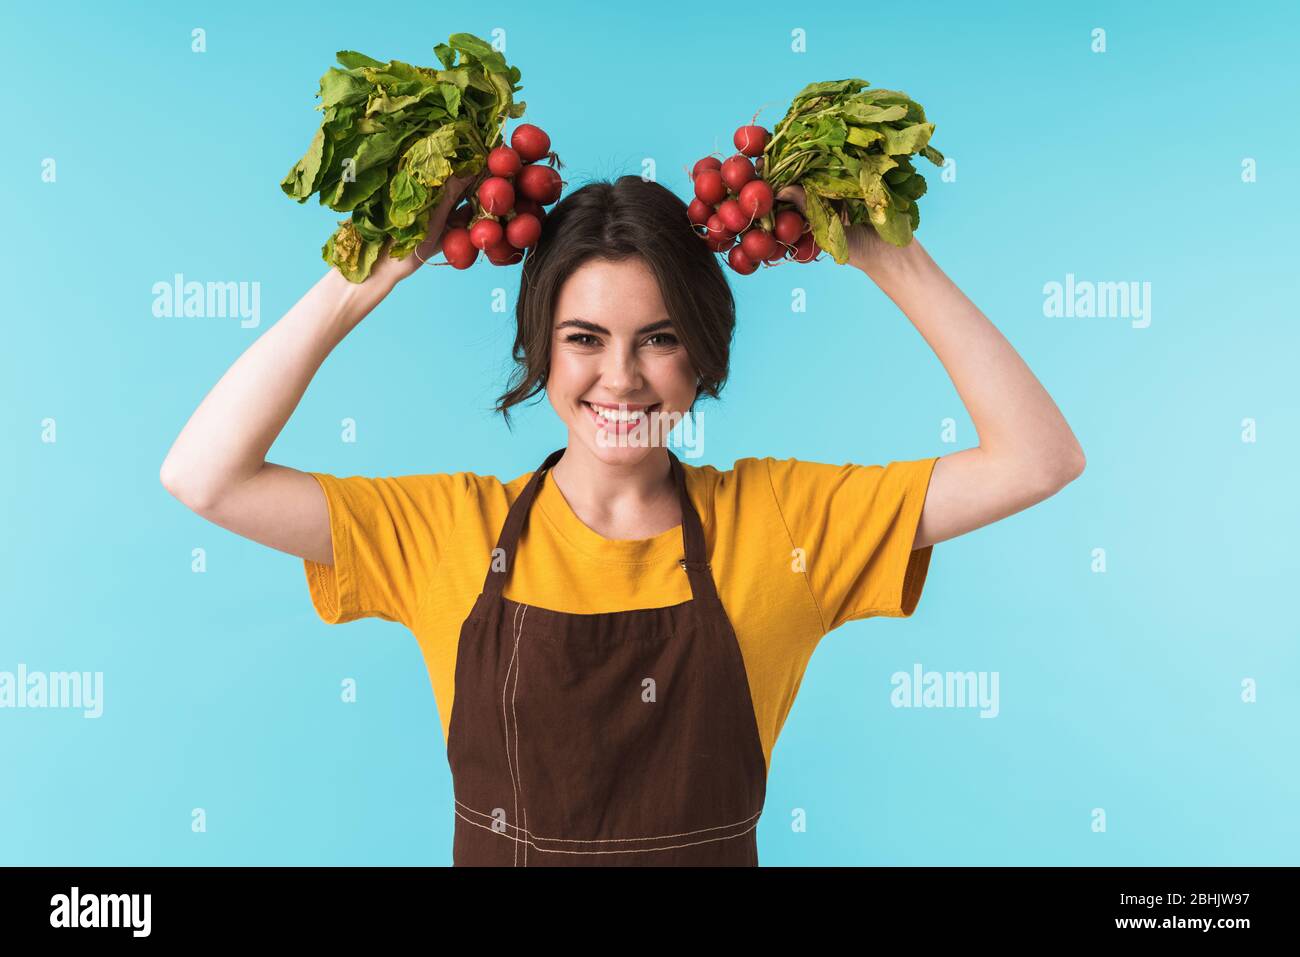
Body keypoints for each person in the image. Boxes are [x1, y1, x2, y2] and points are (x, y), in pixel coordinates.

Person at [160, 174, 1084, 867]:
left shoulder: (784, 521)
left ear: (701, 353)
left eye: (660, 337)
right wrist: (367, 274)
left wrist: (893, 256)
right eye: (585, 339)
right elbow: (205, 476)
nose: (623, 379)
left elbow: (1039, 458)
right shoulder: (447, 529)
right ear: (541, 350)